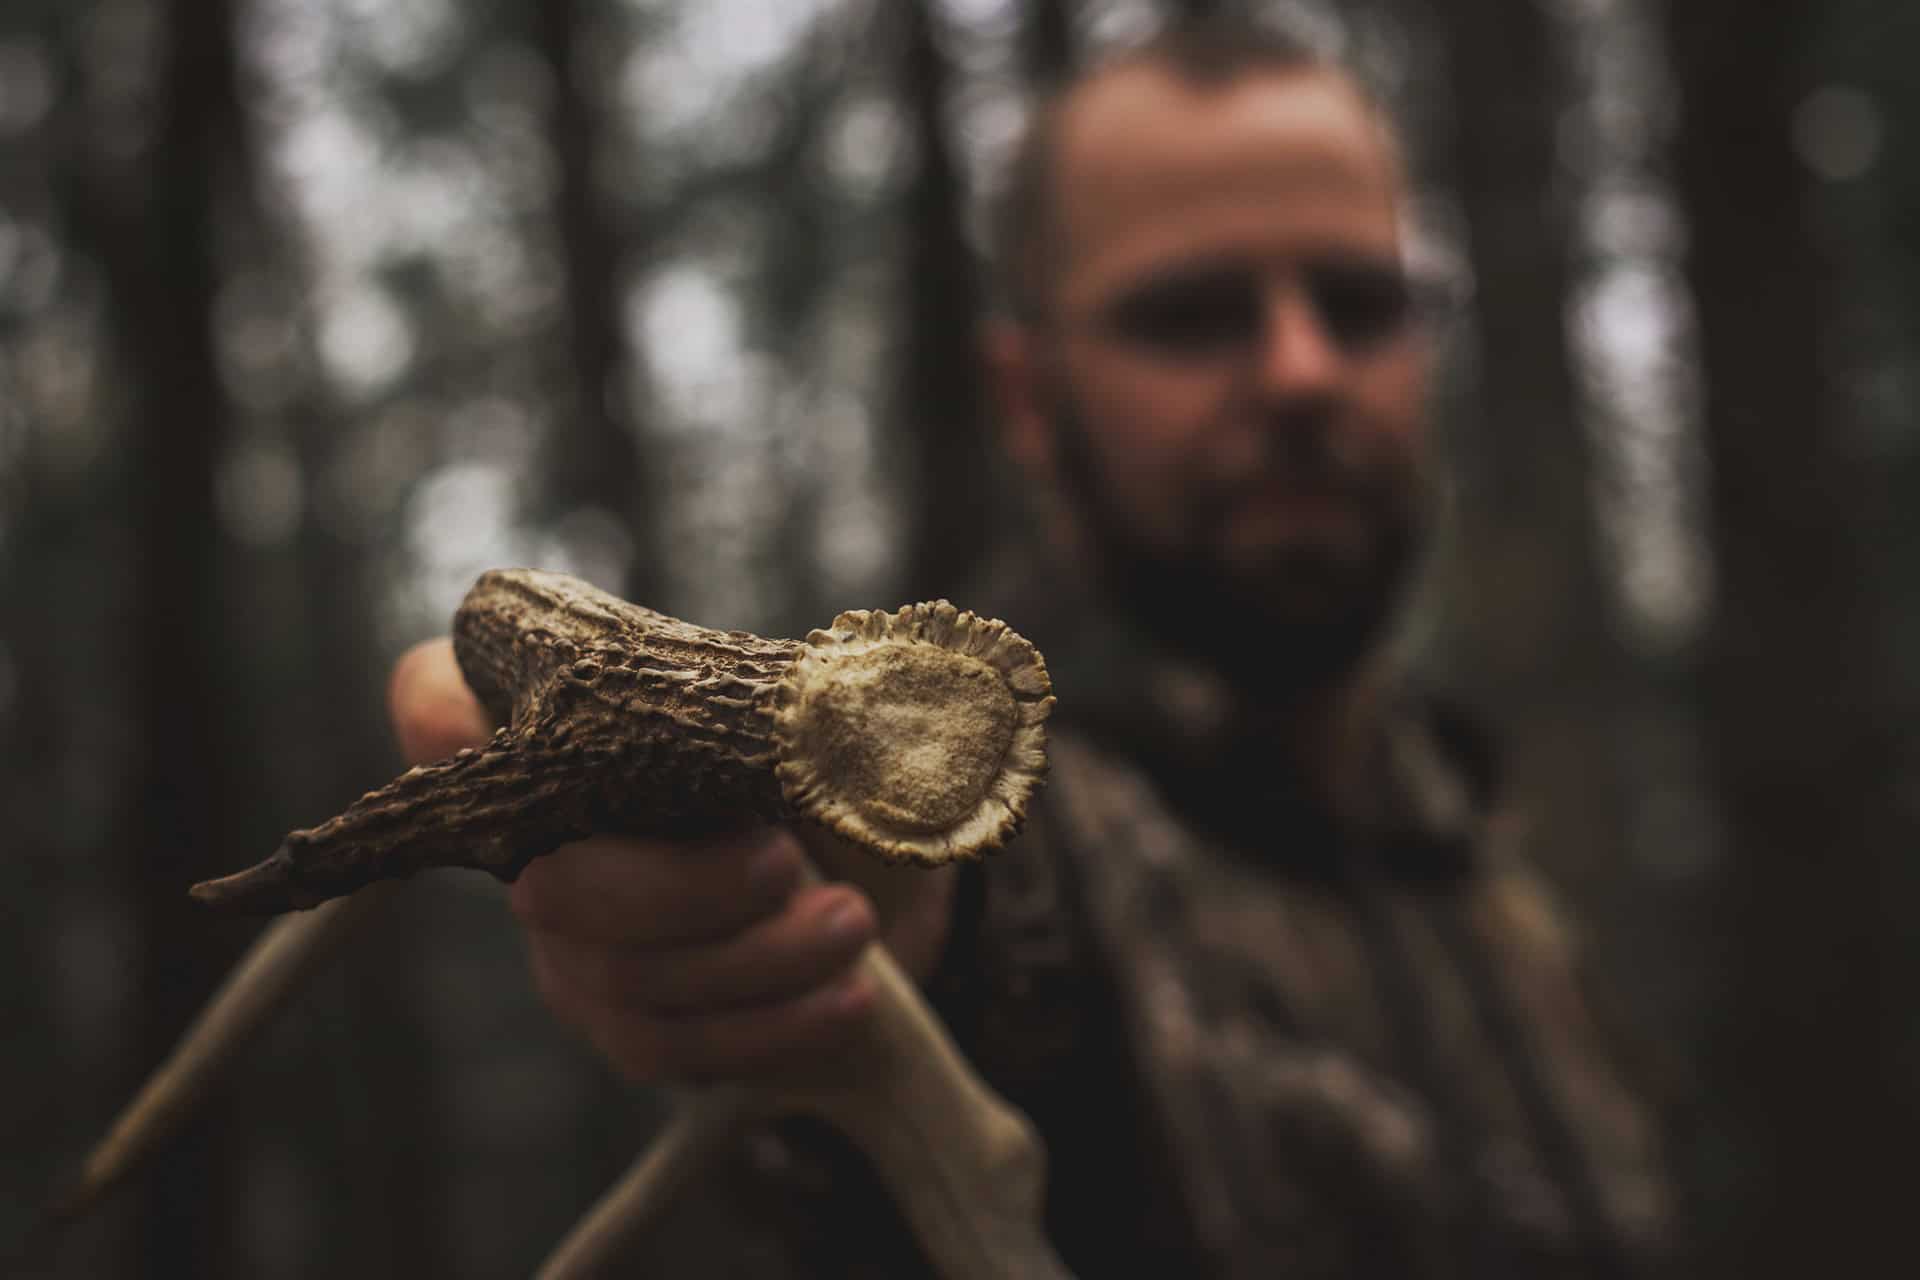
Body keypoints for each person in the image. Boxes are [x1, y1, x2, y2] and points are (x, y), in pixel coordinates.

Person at [391, 18, 1671, 1278]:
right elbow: (987, 947)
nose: (1301, 370)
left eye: (1358, 302)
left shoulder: (1498, 880)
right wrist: (814, 894)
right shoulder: (1024, 830)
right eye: (1194, 314)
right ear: (1027, 400)